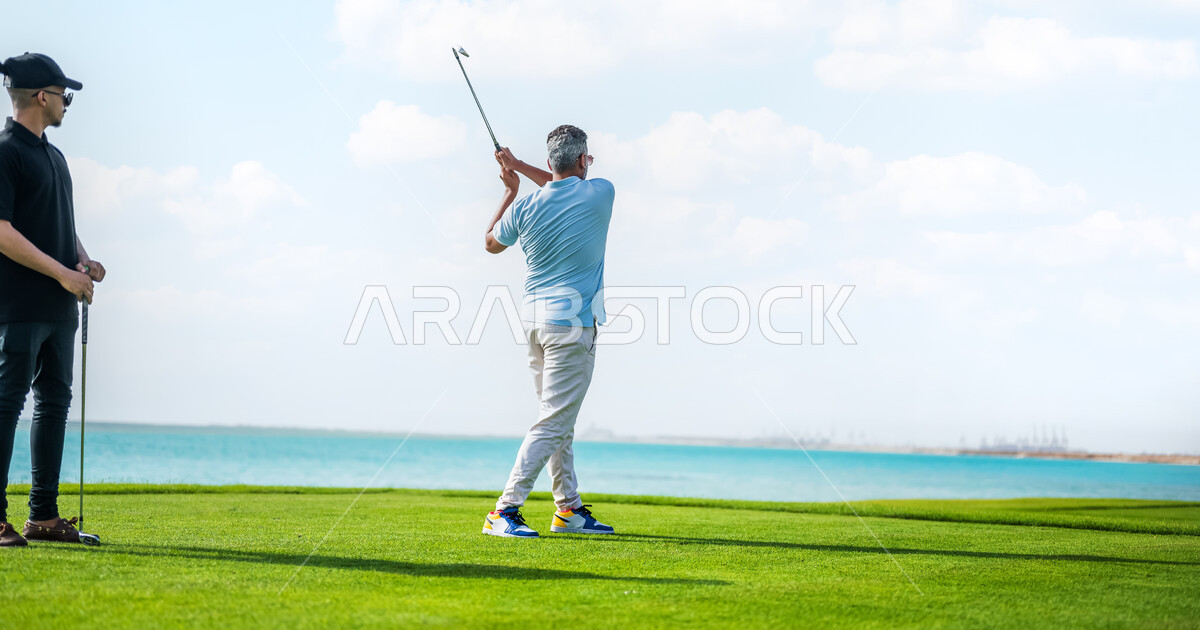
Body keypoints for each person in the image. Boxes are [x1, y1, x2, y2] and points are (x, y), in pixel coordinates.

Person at [481, 125, 615, 538]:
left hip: (534, 326)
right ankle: (504, 510)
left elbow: (490, 243)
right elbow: (564, 184)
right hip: (572, 328)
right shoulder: (601, 193)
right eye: (587, 160)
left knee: (558, 420)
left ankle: (568, 509)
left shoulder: (525, 207)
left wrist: (510, 188)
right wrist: (522, 167)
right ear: (582, 161)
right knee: (553, 422)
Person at [0, 53, 106, 547]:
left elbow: (61, 221)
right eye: (64, 93)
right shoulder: (5, 151)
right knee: (6, 404)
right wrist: (63, 273)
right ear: (41, 96)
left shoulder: (55, 156)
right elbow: (1, 232)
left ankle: (42, 516)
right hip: (18, 305)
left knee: (54, 404)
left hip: (60, 306)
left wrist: (83, 262)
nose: (67, 102)